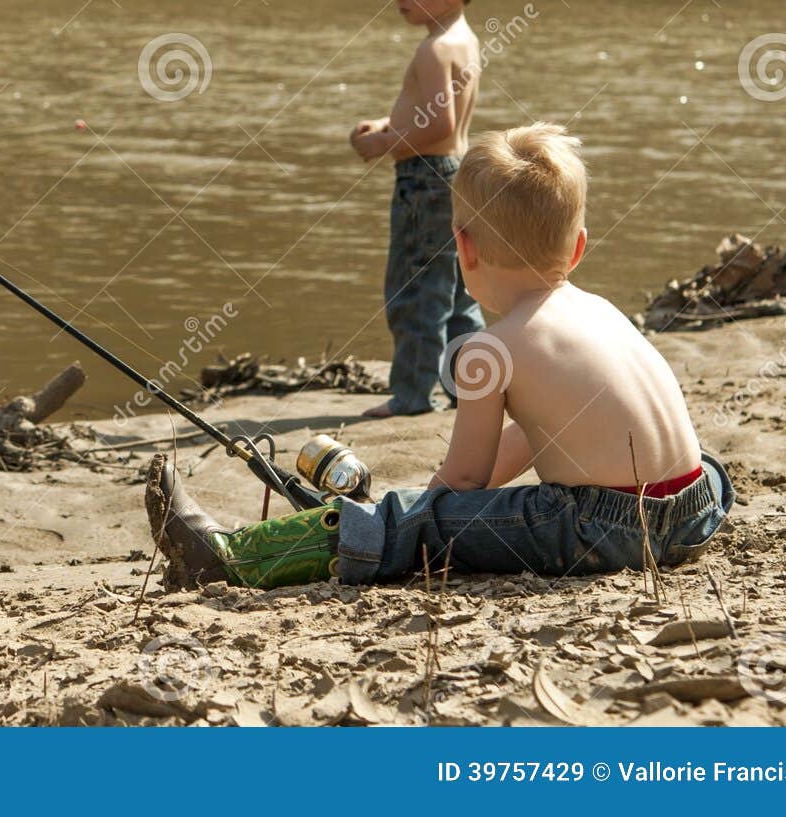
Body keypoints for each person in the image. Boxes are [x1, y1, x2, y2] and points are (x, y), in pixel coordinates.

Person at [147, 124, 733, 588]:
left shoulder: (491, 348)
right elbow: (548, 435)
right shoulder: (601, 309)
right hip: (696, 504)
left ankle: (229, 557)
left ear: (463, 248)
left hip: (603, 531)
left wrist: (415, 513)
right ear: (577, 248)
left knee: (414, 520)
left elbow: (466, 476)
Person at [350, 0, 487, 418]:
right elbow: (438, 116)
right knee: (454, 293)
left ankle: (410, 395)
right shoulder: (463, 40)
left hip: (424, 178)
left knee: (413, 290)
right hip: (453, 174)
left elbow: (436, 125)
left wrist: (383, 143)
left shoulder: (432, 50)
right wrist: (387, 122)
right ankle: (470, 388)